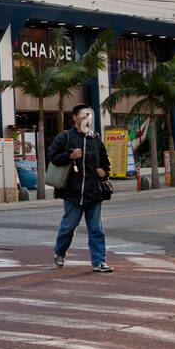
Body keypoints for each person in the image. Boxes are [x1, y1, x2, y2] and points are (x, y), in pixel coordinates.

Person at [47, 103, 113, 273]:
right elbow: (53, 156)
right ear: (75, 117)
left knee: (96, 229)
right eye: (83, 114)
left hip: (93, 193)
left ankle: (99, 261)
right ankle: (59, 252)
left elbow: (106, 163)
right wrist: (70, 156)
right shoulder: (66, 137)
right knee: (68, 227)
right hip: (72, 193)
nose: (86, 118)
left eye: (89, 115)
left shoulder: (95, 139)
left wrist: (103, 173)